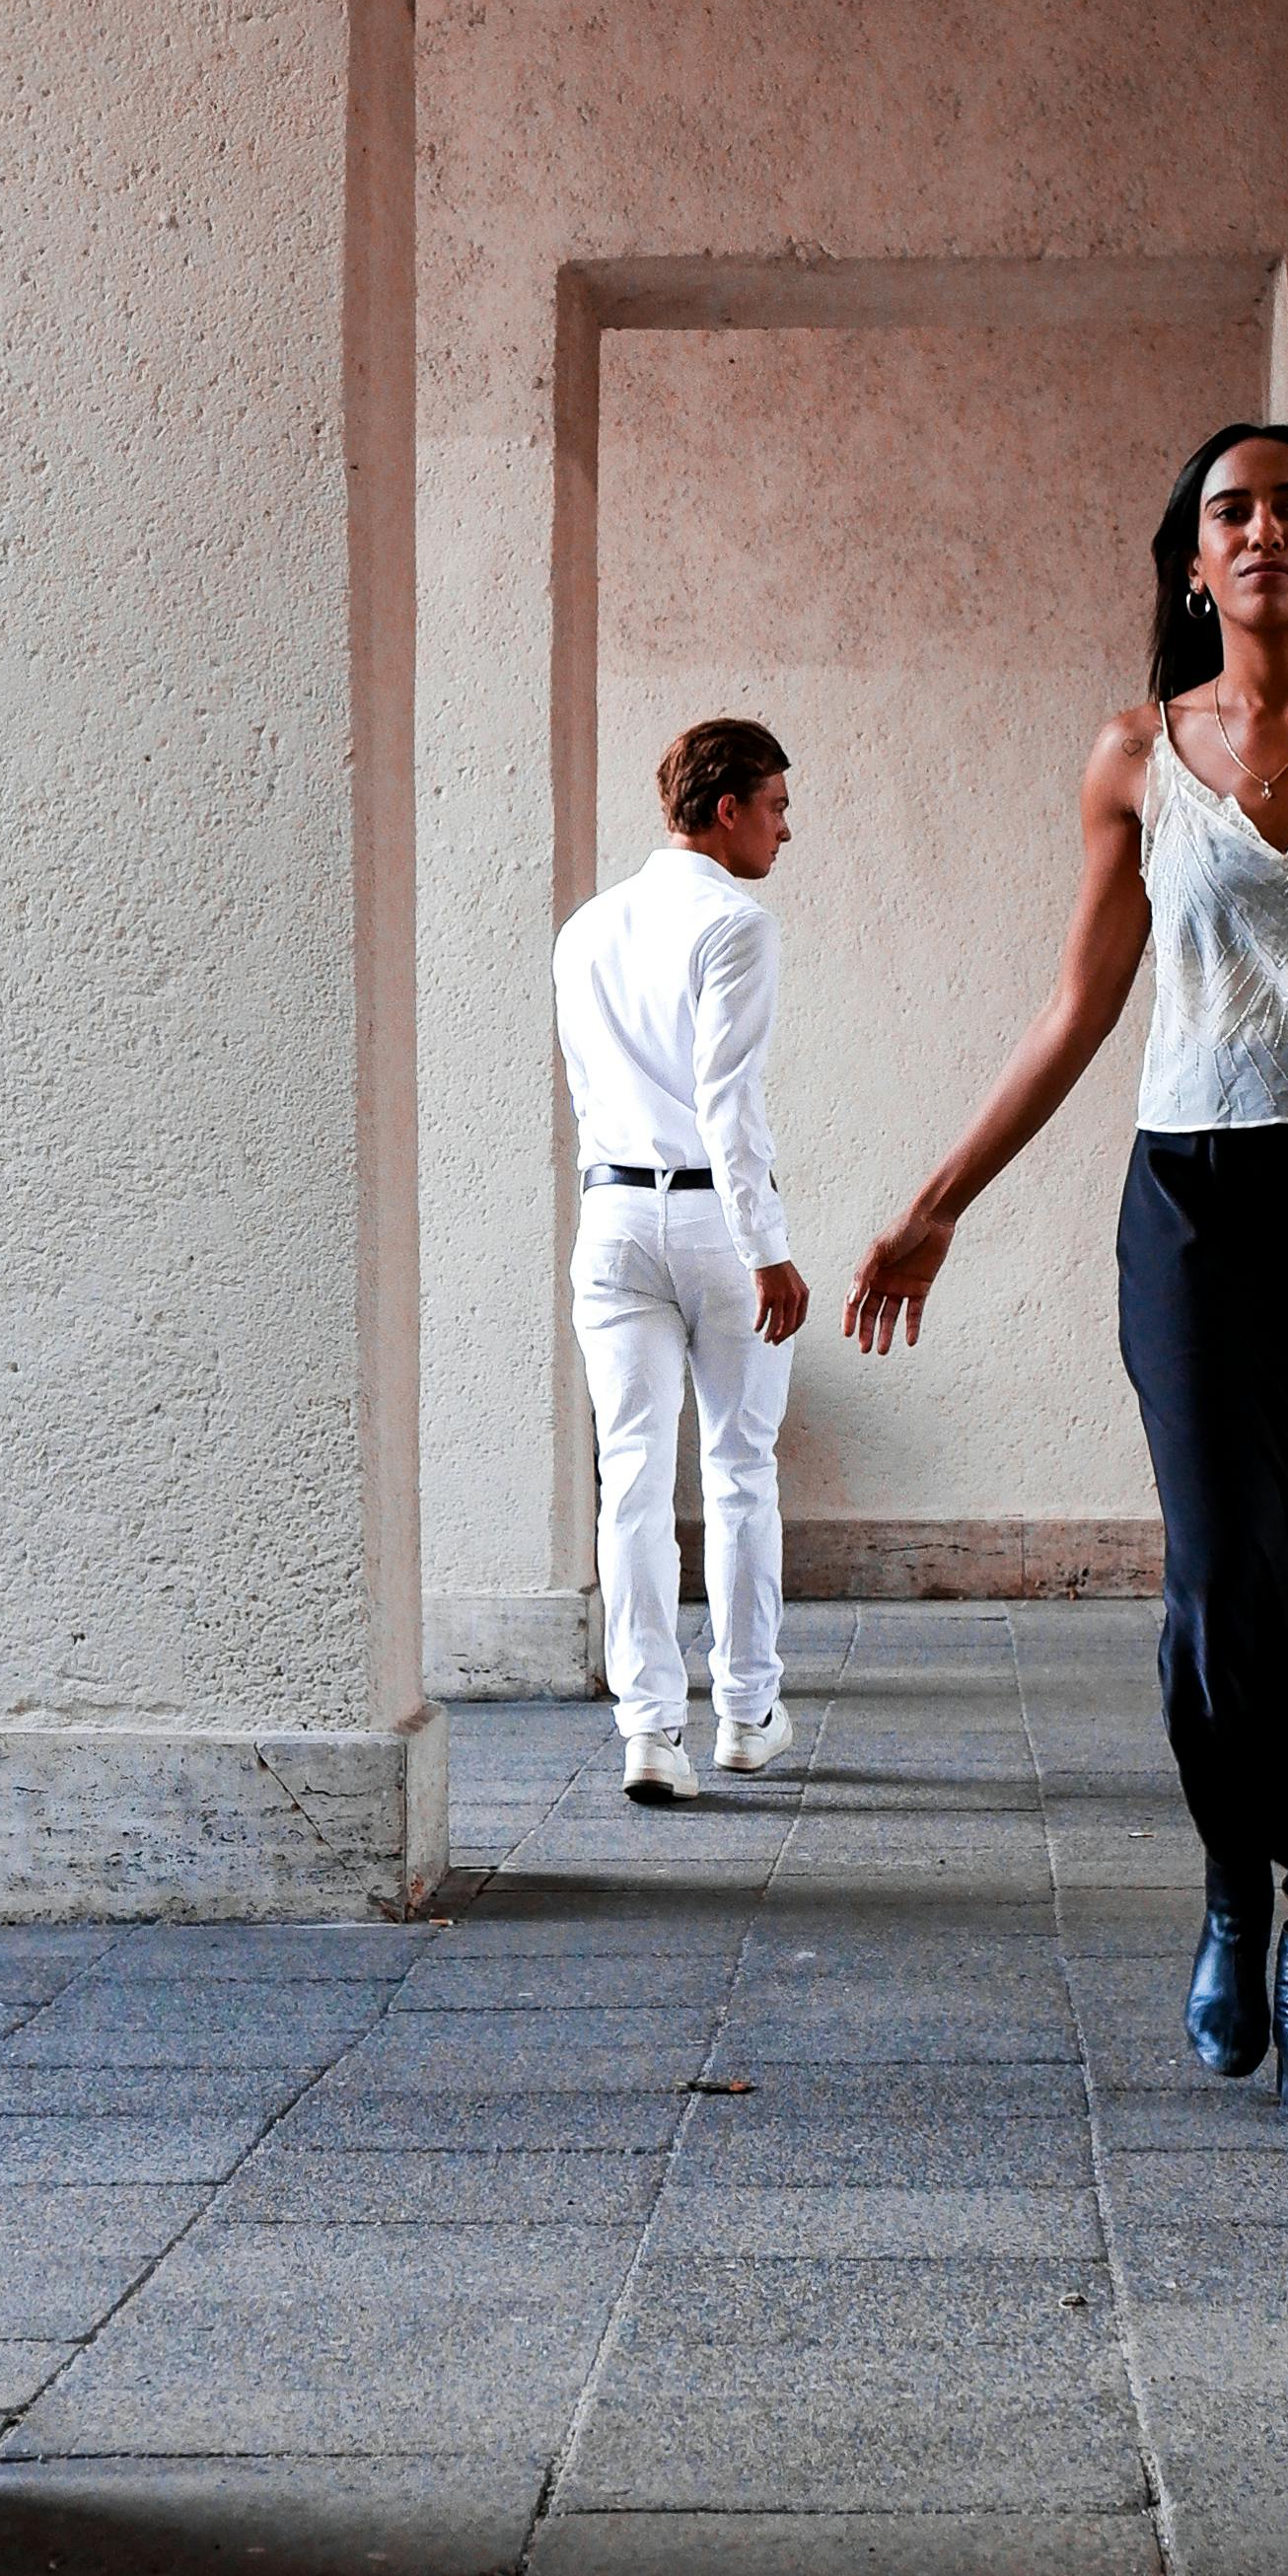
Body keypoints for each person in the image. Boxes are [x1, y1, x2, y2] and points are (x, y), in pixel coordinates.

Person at [844, 422, 1288, 2119]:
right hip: (1201, 1212)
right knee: (1226, 1599)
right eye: (1227, 512)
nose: (1259, 531)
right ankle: (1231, 1877)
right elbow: (1076, 1005)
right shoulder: (1131, 759)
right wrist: (936, 1199)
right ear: (1190, 562)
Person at [555, 717, 813, 1805]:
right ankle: (746, 1717)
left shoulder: (586, 928)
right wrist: (772, 1252)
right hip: (714, 1225)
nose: (786, 831)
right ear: (726, 810)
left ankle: (649, 1733)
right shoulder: (736, 925)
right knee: (742, 1469)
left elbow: (586, 1090)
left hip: (611, 1218)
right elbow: (728, 1104)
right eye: (777, 807)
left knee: (633, 1483)